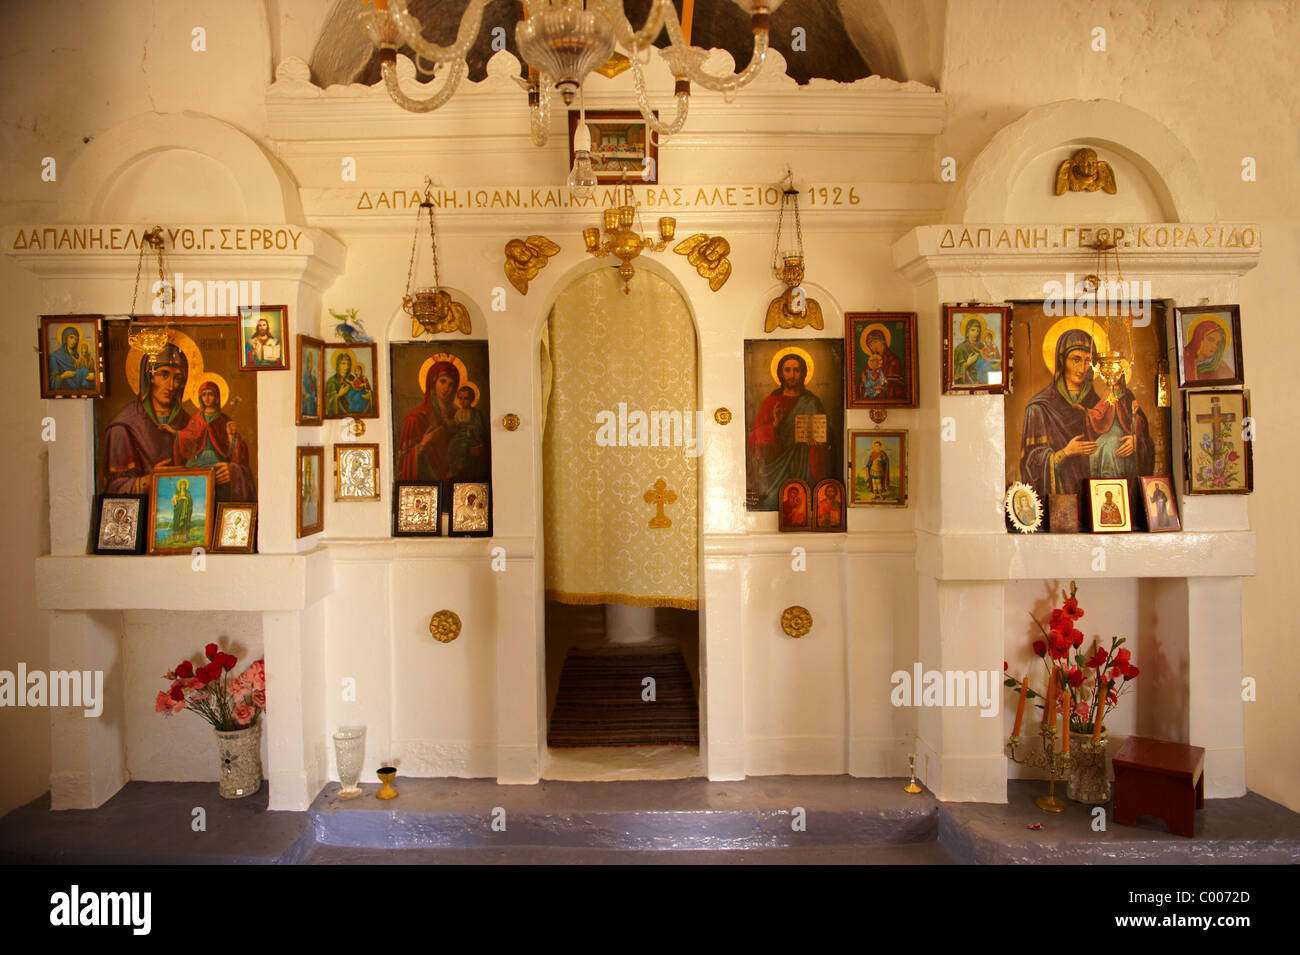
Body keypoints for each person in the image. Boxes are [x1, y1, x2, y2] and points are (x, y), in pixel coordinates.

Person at [1019, 329, 1153, 513]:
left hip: (1097, 503)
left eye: (1088, 361)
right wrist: (1065, 453)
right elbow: (1030, 463)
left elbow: (1129, 427)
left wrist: (1137, 441)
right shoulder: (1040, 408)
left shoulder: (1100, 403)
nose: (1082, 368)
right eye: (1075, 359)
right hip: (1062, 505)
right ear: (1062, 361)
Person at [746, 353, 830, 510]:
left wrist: (818, 445)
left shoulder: (812, 402)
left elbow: (827, 437)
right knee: (772, 501)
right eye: (788, 370)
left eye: (797, 370)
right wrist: (775, 425)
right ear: (780, 373)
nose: (792, 375)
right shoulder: (771, 402)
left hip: (805, 463)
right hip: (777, 468)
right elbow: (754, 439)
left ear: (803, 373)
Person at [104, 343, 191, 494]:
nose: (171, 386)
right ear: (149, 377)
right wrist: (149, 481)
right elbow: (113, 490)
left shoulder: (188, 422)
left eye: (177, 378)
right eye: (164, 375)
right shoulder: (123, 427)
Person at [398, 361, 489, 483]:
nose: (447, 388)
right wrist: (423, 445)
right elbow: (402, 465)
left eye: (451, 384)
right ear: (432, 383)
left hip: (458, 482)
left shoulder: (457, 415)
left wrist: (478, 449)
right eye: (443, 382)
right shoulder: (415, 418)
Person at [172, 380, 255, 502]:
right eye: (204, 394)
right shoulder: (195, 419)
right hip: (197, 463)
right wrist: (177, 434)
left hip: (217, 464)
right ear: (200, 397)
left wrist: (232, 437)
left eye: (210, 394)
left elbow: (233, 446)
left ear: (216, 397)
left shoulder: (224, 419)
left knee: (219, 497)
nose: (207, 398)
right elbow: (187, 438)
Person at [447, 385, 487, 476]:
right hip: (459, 435)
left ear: (471, 399)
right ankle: (452, 468)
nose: (462, 401)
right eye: (460, 398)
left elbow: (480, 427)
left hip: (471, 436)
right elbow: (456, 426)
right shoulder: (458, 413)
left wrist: (473, 428)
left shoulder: (475, 413)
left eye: (466, 398)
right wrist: (451, 424)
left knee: (464, 446)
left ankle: (460, 465)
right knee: (451, 445)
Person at [48, 325, 94, 391]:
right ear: (65, 338)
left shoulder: (79, 357)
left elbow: (87, 373)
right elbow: (51, 382)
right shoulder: (55, 357)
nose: (74, 341)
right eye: (71, 337)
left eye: (76, 339)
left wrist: (92, 377)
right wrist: (62, 376)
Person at [862, 328, 904, 399]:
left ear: (883, 342)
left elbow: (891, 384)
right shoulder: (871, 362)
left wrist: (877, 386)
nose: (873, 347)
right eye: (870, 345)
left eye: (875, 342)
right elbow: (865, 380)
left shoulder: (893, 360)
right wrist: (864, 381)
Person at [953, 316, 988, 385]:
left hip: (983, 381)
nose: (975, 334)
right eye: (972, 330)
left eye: (978, 331)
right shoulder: (961, 348)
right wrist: (967, 364)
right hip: (968, 382)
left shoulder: (982, 346)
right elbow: (955, 370)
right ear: (967, 332)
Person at [324, 350, 360, 417]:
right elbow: (328, 404)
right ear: (338, 365)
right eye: (343, 363)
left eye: (348, 364)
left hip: (355, 413)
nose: (346, 366)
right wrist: (339, 395)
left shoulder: (353, 379)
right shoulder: (331, 382)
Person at [170, 478, 194, 542]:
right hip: (178, 509)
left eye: (184, 485)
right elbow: (174, 501)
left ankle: (184, 538)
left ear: (186, 486)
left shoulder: (188, 493)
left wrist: (185, 498)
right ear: (180, 486)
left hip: (185, 509)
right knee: (177, 521)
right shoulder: (177, 493)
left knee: (185, 522)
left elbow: (190, 501)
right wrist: (175, 499)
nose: (183, 486)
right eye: (181, 485)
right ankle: (177, 538)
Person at [301, 352, 318, 418]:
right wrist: (306, 394)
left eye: (312, 362)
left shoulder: (313, 376)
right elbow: (303, 390)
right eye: (309, 362)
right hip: (307, 402)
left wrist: (315, 396)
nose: (310, 364)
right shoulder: (304, 376)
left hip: (313, 401)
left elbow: (314, 390)